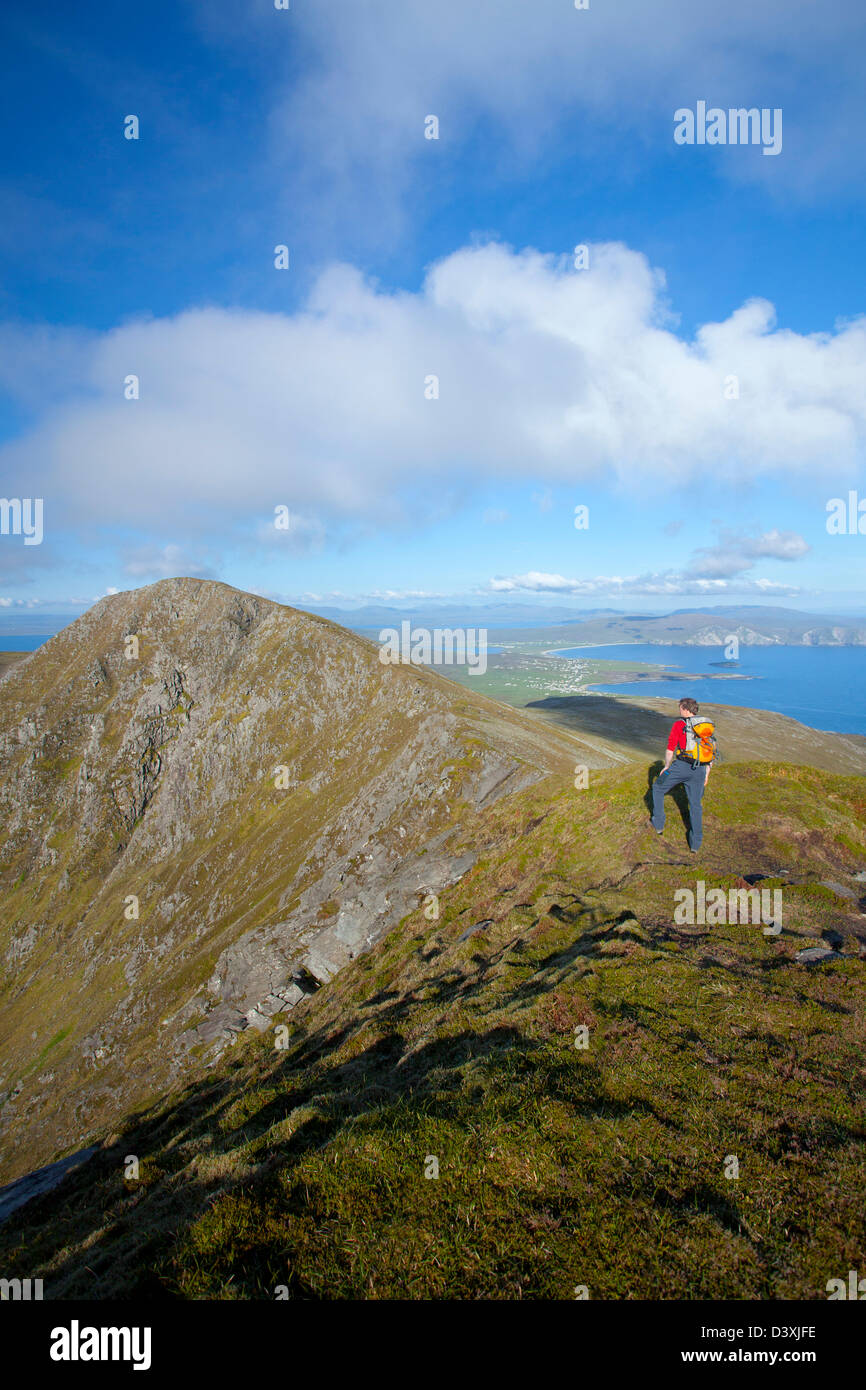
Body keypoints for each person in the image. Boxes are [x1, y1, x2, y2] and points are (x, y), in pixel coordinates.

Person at [650, 697, 711, 852]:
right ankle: (695, 843)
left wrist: (667, 766)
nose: (679, 710)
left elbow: (671, 747)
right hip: (700, 769)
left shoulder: (679, 724)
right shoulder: (705, 726)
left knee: (658, 787)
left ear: (685, 708)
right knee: (696, 805)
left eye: (680, 708)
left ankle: (658, 824)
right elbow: (709, 750)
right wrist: (706, 773)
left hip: (681, 765)